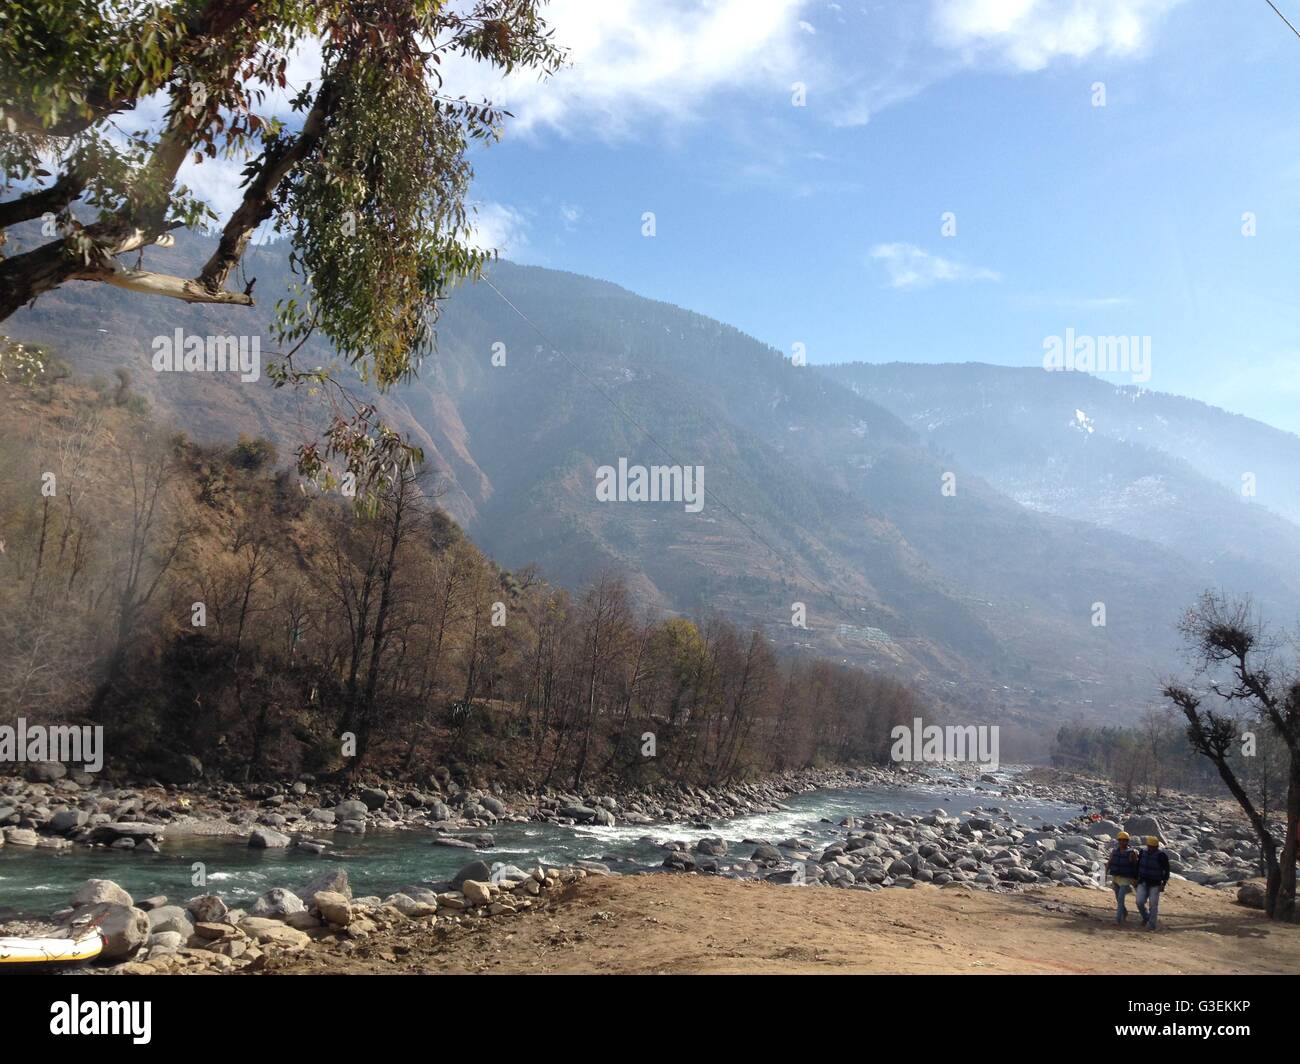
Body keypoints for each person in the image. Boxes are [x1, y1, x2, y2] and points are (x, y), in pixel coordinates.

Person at [1136, 835, 1170, 931]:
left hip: (1155, 884)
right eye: (1149, 846)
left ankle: (1151, 925)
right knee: (1139, 902)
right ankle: (1146, 917)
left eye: (1153, 847)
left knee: (1153, 905)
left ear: (1156, 847)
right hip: (1142, 882)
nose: (1151, 848)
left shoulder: (1161, 856)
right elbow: (1138, 866)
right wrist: (1136, 878)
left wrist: (1164, 883)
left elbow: (1166, 870)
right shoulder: (1142, 853)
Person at [1106, 830, 1139, 924]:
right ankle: (1124, 912)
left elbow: (1135, 866)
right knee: (1118, 898)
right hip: (1116, 877)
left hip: (1126, 879)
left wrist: (1135, 879)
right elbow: (1110, 862)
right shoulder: (1115, 851)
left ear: (1127, 841)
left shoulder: (1132, 853)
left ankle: (1118, 920)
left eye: (1124, 840)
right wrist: (1105, 873)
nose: (1122, 842)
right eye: (1120, 840)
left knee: (1120, 899)